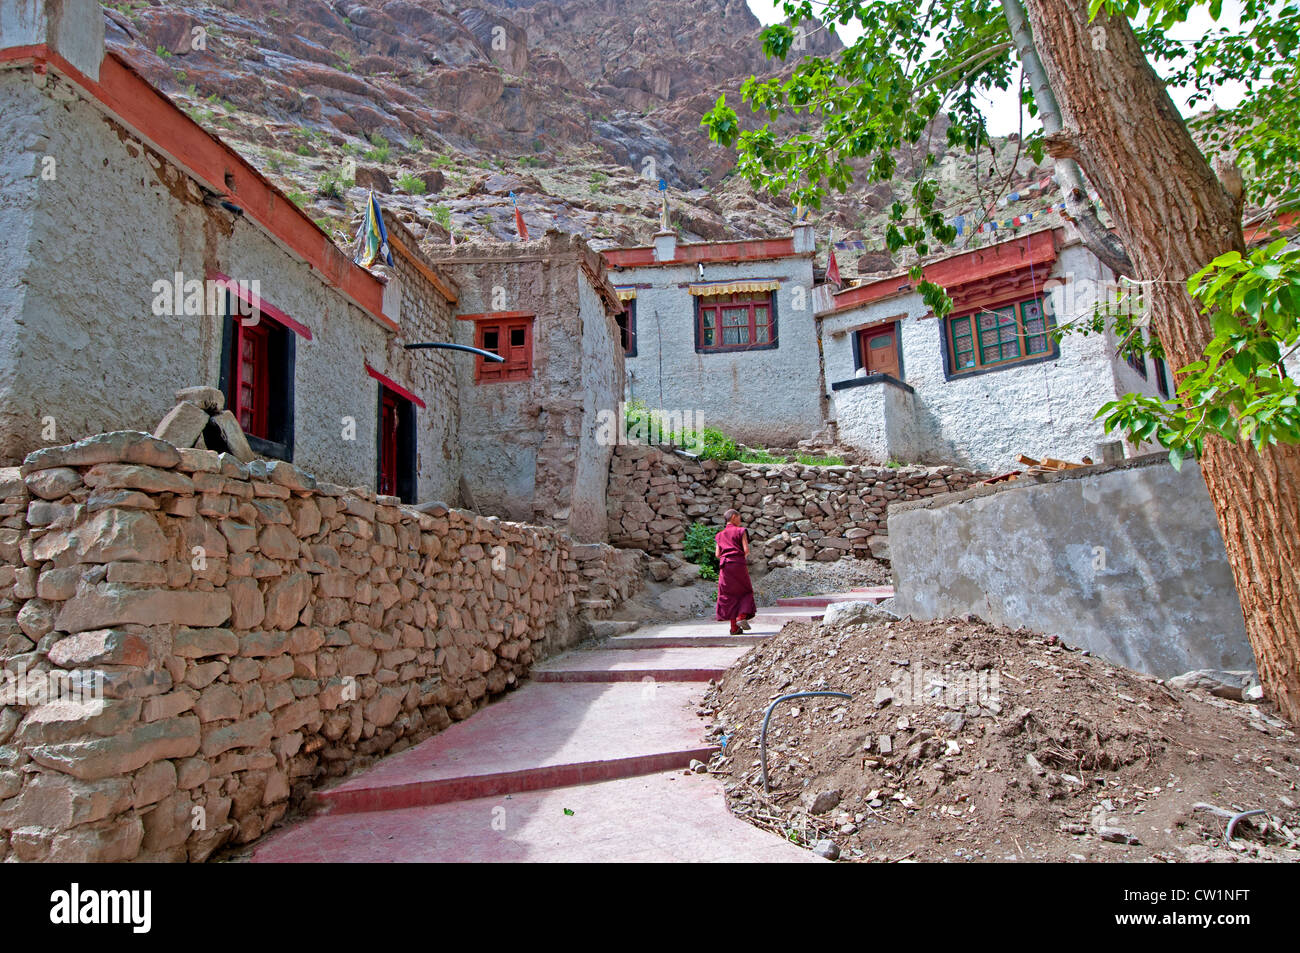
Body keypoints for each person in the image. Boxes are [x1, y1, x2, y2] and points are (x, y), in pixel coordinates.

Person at [714, 509, 757, 635]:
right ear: (733, 517)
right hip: (738, 564)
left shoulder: (719, 535)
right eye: (739, 518)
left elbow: (717, 554)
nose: (740, 520)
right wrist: (737, 556)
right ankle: (741, 617)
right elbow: (746, 550)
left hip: (725, 566)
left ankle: (734, 628)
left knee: (729, 595)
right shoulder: (741, 531)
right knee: (745, 591)